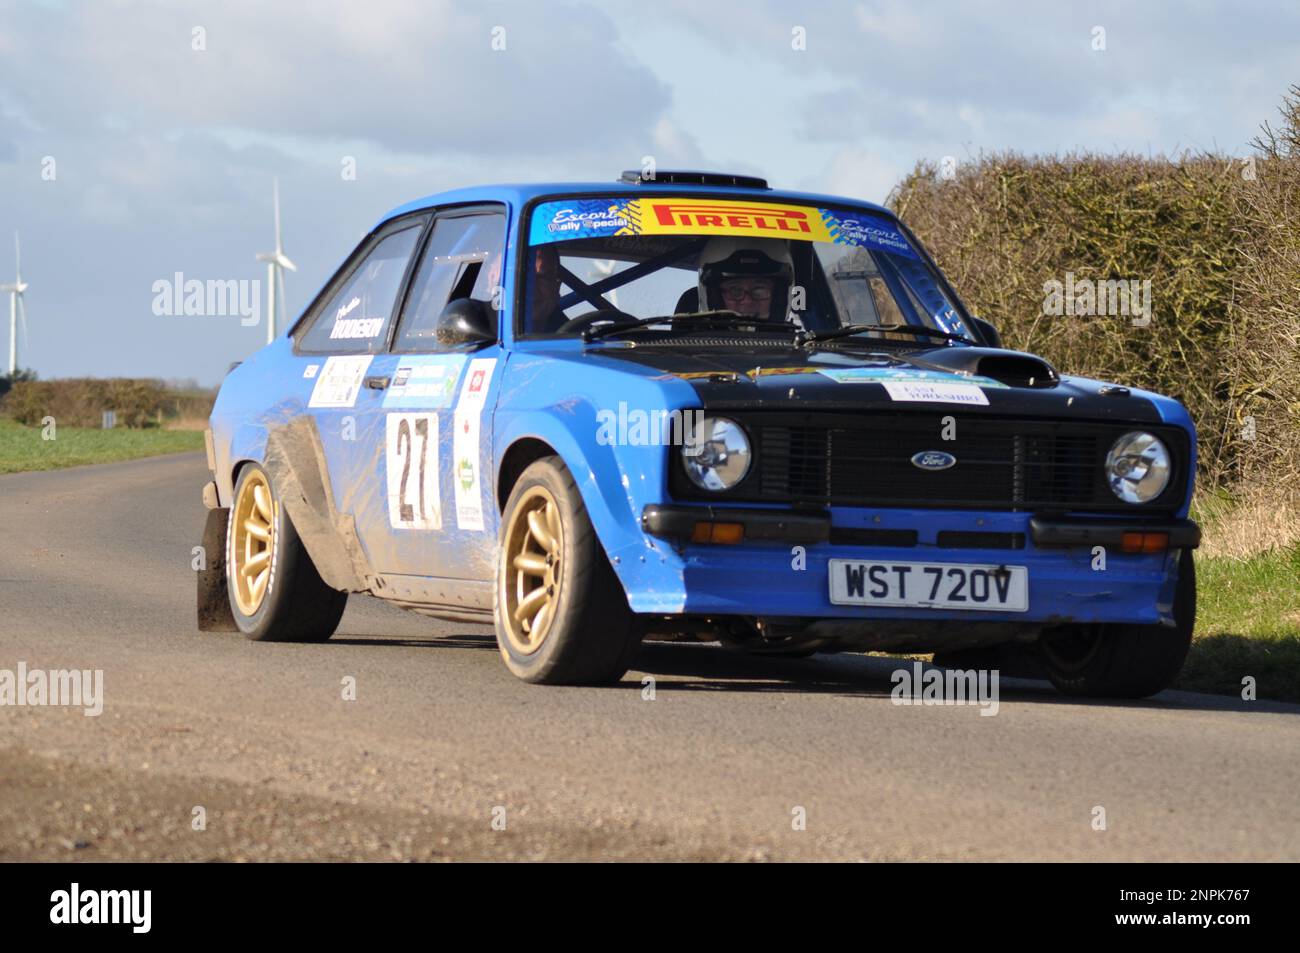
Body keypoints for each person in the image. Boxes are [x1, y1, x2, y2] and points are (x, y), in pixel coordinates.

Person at [695, 237, 795, 321]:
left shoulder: (804, 343)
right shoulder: (688, 343)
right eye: (735, 290)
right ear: (714, 297)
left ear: (778, 296)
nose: (748, 302)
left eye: (759, 290)